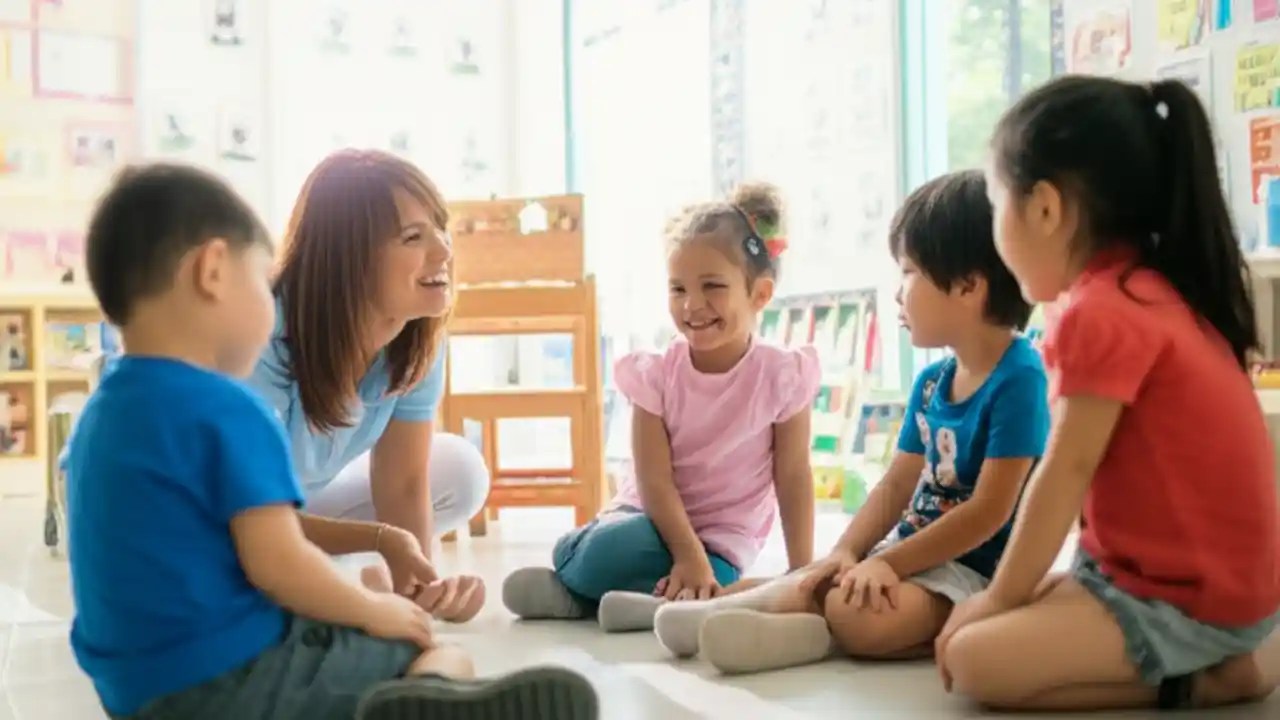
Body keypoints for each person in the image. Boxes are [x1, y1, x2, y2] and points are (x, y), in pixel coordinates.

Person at [65, 163, 598, 720]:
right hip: (227, 681)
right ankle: (438, 700)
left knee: (363, 611)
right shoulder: (224, 405)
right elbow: (276, 561)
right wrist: (373, 610)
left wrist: (407, 582)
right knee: (429, 650)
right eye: (260, 282)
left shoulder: (101, 414)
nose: (272, 303)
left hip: (134, 693)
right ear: (213, 272)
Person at [934, 76, 1280, 712]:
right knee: (980, 625)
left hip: (1186, 600)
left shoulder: (1103, 310)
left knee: (972, 658)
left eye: (995, 203)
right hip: (1170, 581)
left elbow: (1064, 474)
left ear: (1043, 207)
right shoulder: (1145, 290)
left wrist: (1002, 597)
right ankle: (1216, 656)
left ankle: (1215, 677)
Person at [645, 171, 1050, 674]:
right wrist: (847, 552)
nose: (898, 294)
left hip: (972, 570)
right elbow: (896, 484)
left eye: (908, 273)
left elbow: (989, 511)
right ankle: (710, 608)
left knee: (856, 612)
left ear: (968, 286)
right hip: (907, 553)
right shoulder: (932, 382)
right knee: (818, 578)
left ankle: (786, 633)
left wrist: (885, 564)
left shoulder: (1020, 377)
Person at [500, 183, 820, 631]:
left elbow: (793, 475)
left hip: (719, 547)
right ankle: (622, 591)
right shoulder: (656, 374)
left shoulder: (783, 375)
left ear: (760, 295)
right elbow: (654, 479)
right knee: (617, 547)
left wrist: (804, 574)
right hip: (649, 523)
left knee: (714, 575)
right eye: (677, 288)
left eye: (712, 286)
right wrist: (685, 555)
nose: (692, 305)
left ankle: (605, 595)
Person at [247, 150, 490, 621]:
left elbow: (404, 482)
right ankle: (339, 575)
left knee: (459, 470)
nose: (443, 251)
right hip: (226, 516)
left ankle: (350, 576)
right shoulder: (261, 337)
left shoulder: (415, 337)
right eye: (413, 237)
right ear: (349, 257)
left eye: (440, 230)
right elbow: (245, 514)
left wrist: (421, 589)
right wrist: (380, 541)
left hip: (295, 505)